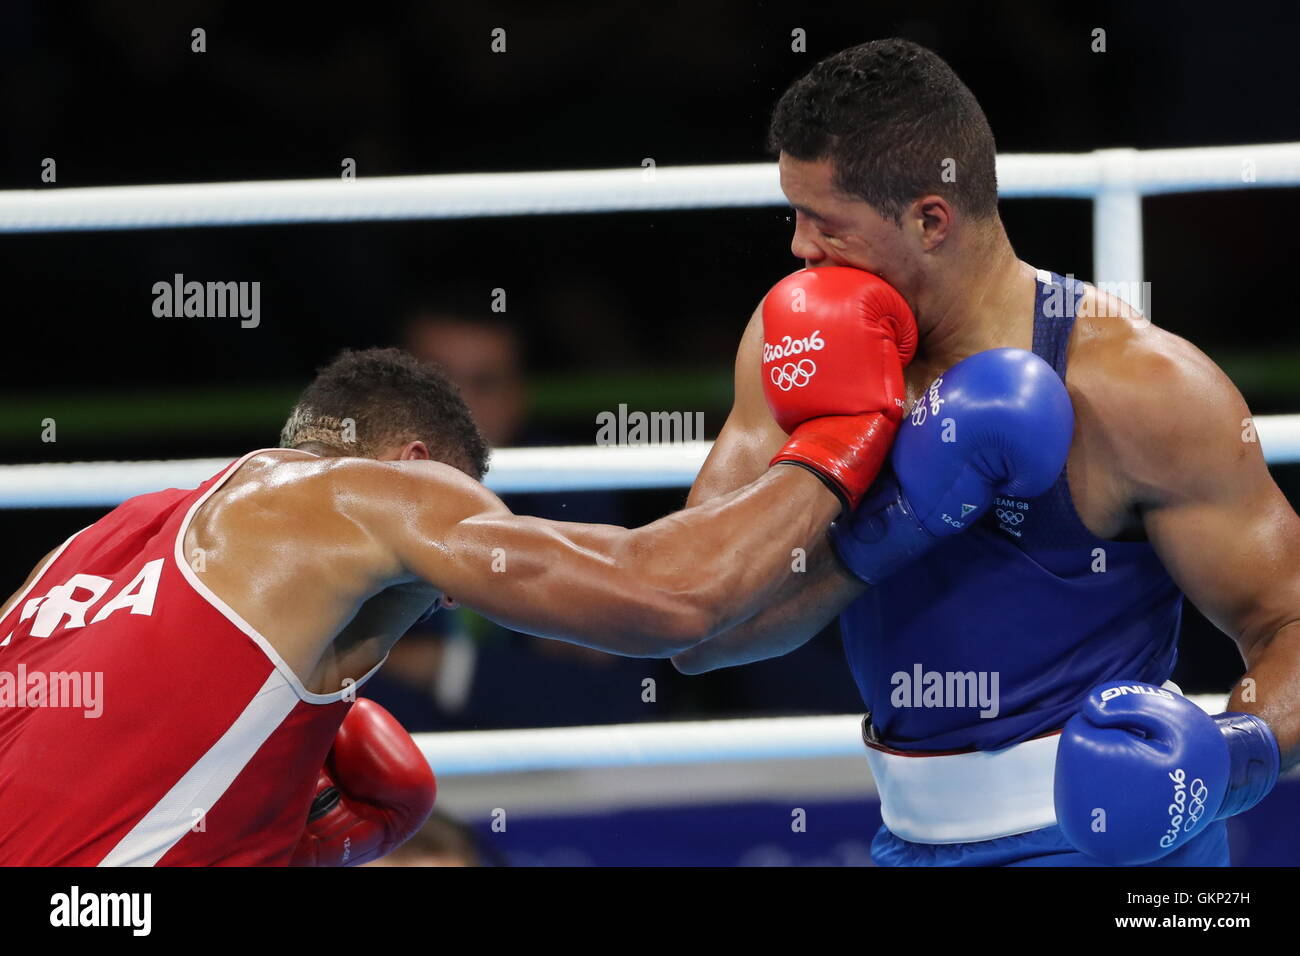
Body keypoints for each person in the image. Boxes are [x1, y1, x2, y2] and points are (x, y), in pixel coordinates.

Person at [0, 264, 938, 865]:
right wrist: (850, 436)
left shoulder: (96, 545)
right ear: (413, 473)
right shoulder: (368, 495)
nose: (451, 584)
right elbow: (677, 601)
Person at [673, 39, 1300, 867]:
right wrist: (894, 516)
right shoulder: (798, 346)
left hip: (1119, 849)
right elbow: (698, 627)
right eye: (793, 216)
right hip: (909, 838)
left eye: (824, 226)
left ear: (931, 219)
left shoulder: (1139, 389)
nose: (798, 249)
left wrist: (1230, 758)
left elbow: (1288, 620)